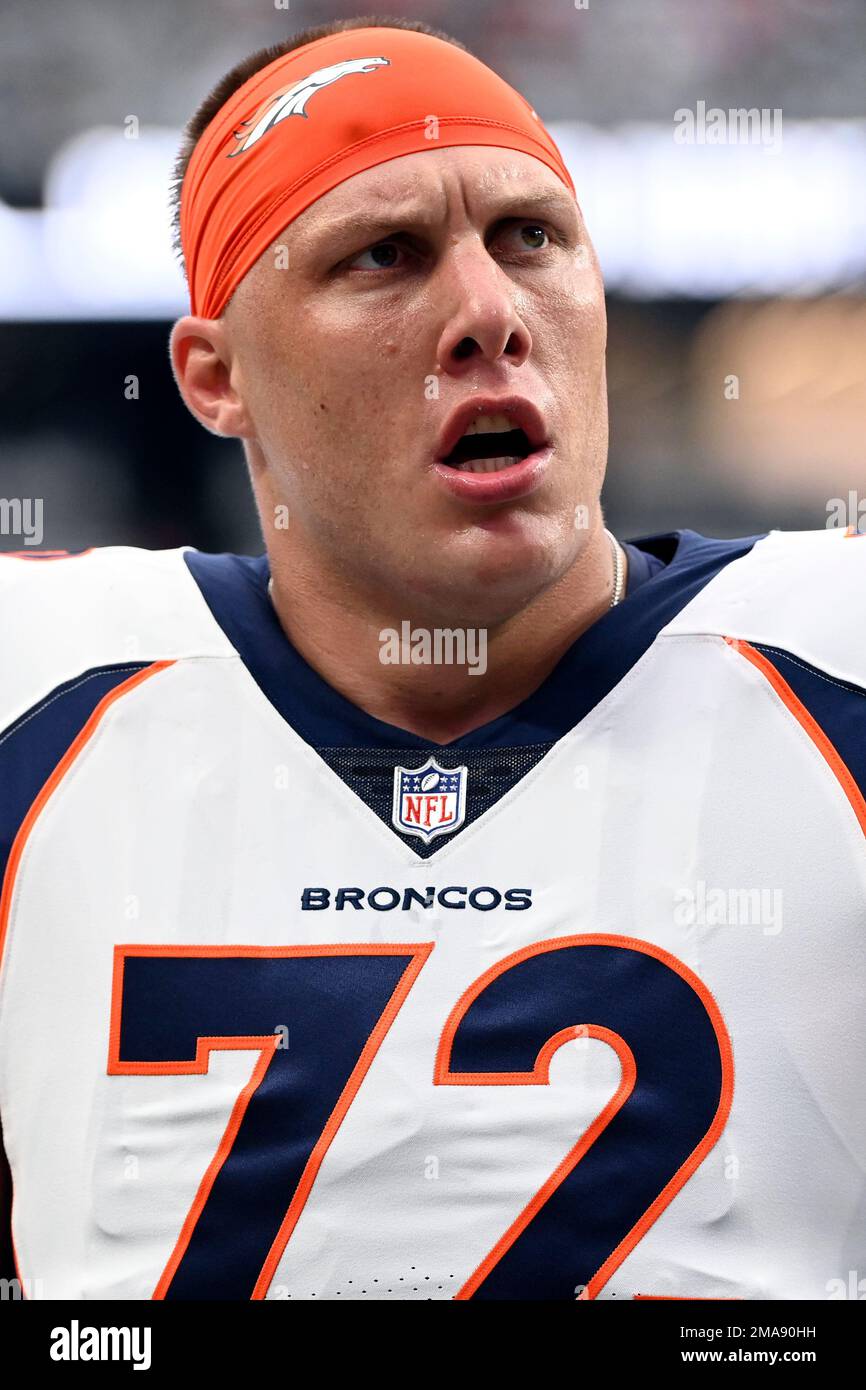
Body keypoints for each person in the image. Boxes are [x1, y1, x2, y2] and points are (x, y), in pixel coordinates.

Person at [0, 16, 863, 1302]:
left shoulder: (826, 659)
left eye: (530, 238)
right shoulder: (45, 686)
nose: (486, 313)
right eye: (384, 256)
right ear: (213, 377)